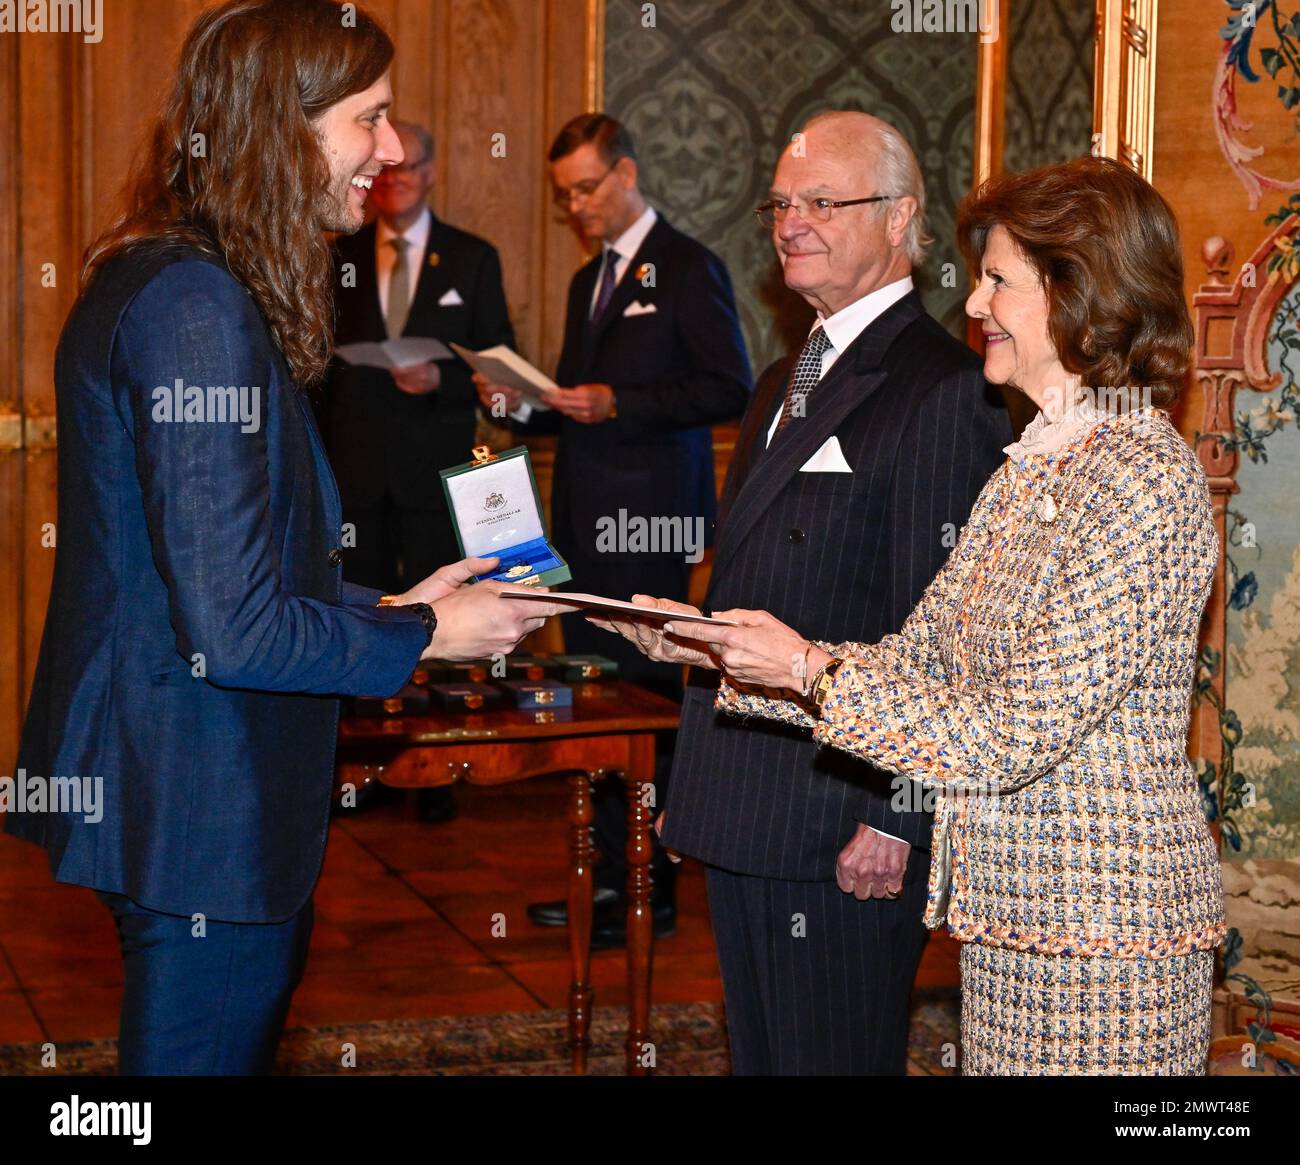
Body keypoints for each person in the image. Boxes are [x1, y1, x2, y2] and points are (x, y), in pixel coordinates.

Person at [5, 0, 559, 1075]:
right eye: (371, 118)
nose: (391, 151)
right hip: (201, 806)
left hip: (176, 784)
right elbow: (236, 628)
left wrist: (400, 608)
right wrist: (427, 637)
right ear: (280, 125)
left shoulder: (169, 275)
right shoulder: (198, 309)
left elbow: (209, 580)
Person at [643, 156, 1226, 1075]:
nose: (976, 307)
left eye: (1001, 281)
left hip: (1106, 940)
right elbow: (921, 662)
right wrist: (725, 655)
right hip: (1009, 930)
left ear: (1079, 290)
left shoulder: (1140, 477)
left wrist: (803, 669)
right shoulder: (1035, 461)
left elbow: (1008, 732)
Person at [584, 111, 1010, 1073]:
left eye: (824, 201)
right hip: (747, 796)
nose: (791, 223)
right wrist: (681, 652)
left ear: (901, 217)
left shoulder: (944, 388)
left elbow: (944, 629)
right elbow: (759, 580)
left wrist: (898, 812)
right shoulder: (782, 375)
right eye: (783, 203)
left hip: (841, 817)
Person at [475, 113, 752, 947]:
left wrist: (621, 401)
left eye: (586, 189)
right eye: (565, 196)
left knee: (644, 701)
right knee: (593, 703)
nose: (576, 207)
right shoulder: (586, 280)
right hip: (585, 526)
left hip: (655, 528)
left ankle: (651, 885)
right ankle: (606, 877)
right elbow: (575, 407)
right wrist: (522, 406)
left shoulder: (688, 265)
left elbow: (729, 387)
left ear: (627, 174)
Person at [323, 118, 515, 823]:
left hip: (437, 478)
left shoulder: (471, 256)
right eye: (386, 171)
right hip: (355, 474)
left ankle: (437, 771)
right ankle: (362, 769)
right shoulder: (334, 253)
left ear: (430, 171)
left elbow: (501, 369)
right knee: (365, 617)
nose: (394, 181)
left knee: (441, 622)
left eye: (407, 170)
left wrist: (441, 380)